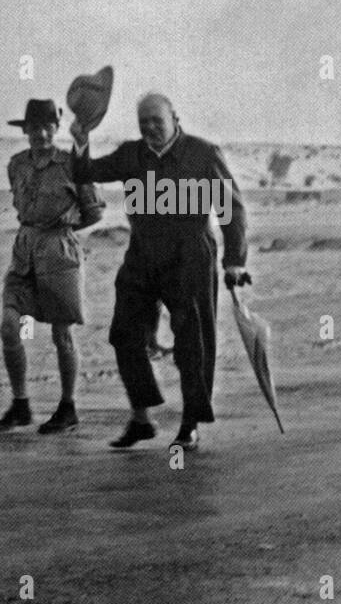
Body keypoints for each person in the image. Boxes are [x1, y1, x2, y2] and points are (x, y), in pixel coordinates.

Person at [68, 93, 248, 451]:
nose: (150, 127)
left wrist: (234, 261)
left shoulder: (203, 153)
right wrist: (80, 138)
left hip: (190, 254)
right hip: (143, 253)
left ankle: (190, 423)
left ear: (174, 118)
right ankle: (141, 419)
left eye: (156, 120)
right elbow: (85, 172)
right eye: (143, 121)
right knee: (125, 334)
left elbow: (231, 210)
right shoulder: (131, 155)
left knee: (193, 342)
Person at [0, 99, 103, 434]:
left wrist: (62, 231)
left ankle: (68, 407)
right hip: (24, 251)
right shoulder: (16, 165)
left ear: (56, 129)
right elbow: (19, 204)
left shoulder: (72, 164)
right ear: (24, 130)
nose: (40, 133)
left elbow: (93, 211)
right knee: (10, 326)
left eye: (47, 127)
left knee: (61, 333)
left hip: (59, 252)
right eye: (34, 127)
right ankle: (20, 405)